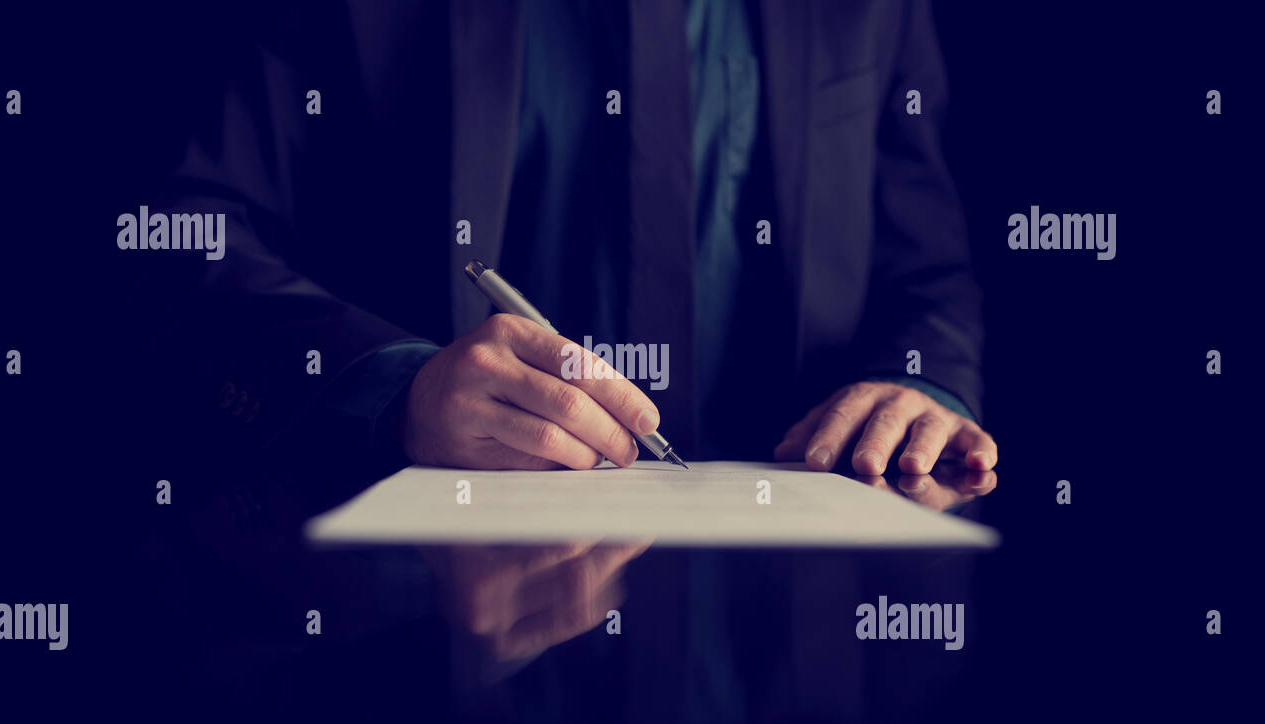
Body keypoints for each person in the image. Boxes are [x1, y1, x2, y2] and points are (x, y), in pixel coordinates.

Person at [157, 0, 997, 476]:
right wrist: (397, 388)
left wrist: (919, 385)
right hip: (422, 636)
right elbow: (183, 231)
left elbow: (927, 268)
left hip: (790, 651)